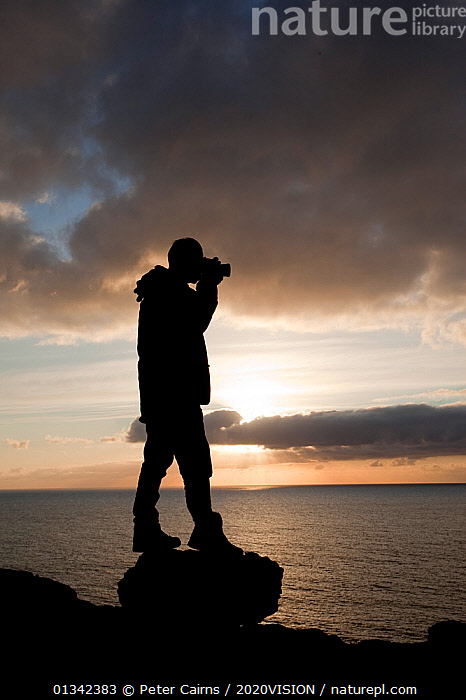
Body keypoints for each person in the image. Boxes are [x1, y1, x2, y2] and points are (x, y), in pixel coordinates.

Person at [132, 237, 241, 555]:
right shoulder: (167, 292)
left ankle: (167, 528)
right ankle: (196, 530)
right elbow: (196, 321)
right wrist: (209, 285)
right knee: (180, 465)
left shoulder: (164, 289)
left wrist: (206, 283)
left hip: (167, 396)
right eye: (197, 262)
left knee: (174, 464)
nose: (201, 267)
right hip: (173, 396)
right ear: (183, 262)